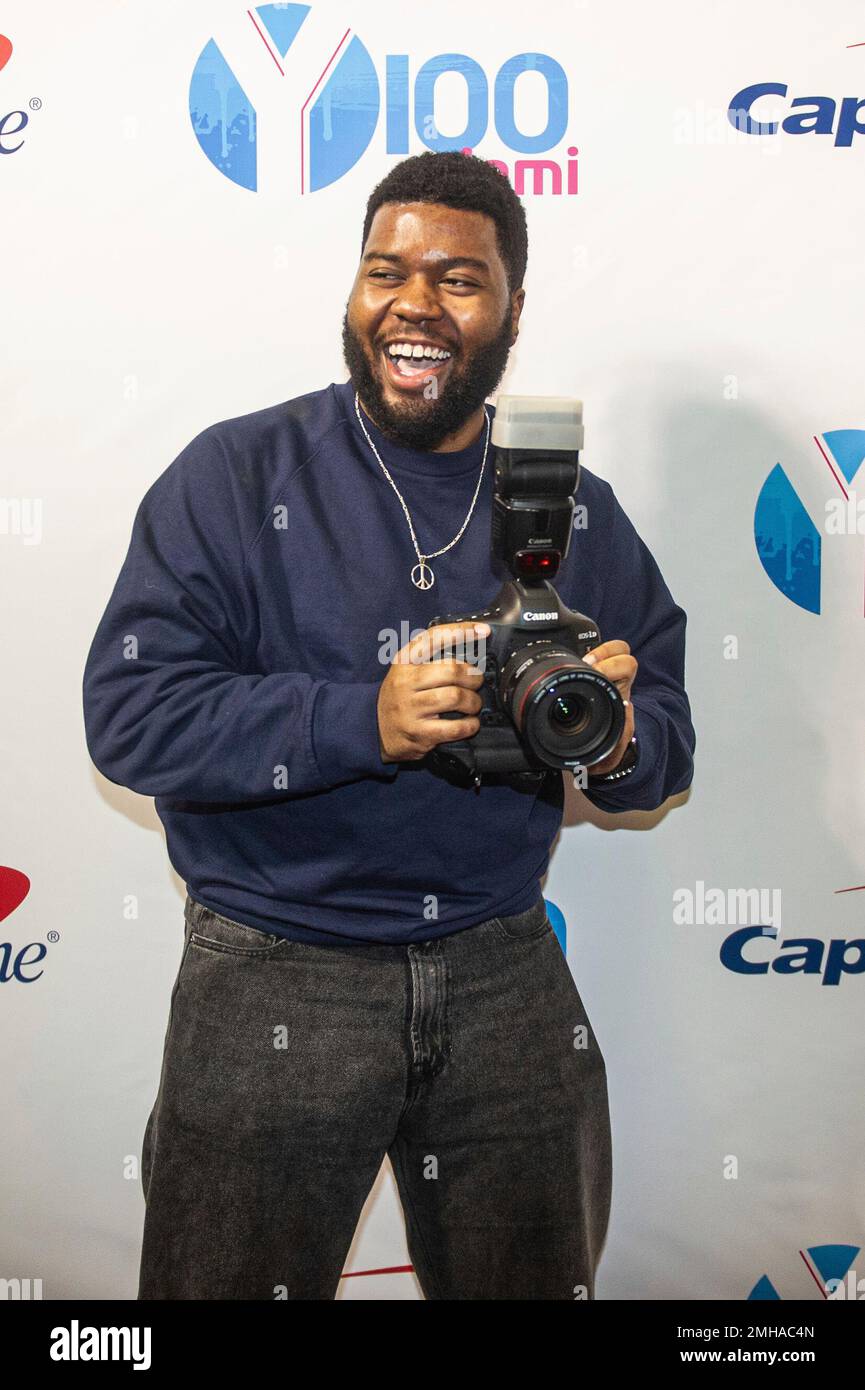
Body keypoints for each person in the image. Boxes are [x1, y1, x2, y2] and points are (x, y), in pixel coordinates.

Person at [82, 150, 695, 1301]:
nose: (414, 301)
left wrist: (613, 739)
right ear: (355, 294)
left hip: (502, 963)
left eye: (459, 280)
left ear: (513, 312)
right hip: (273, 966)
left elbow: (662, 738)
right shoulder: (234, 474)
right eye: (384, 271)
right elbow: (130, 715)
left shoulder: (567, 506)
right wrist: (363, 718)